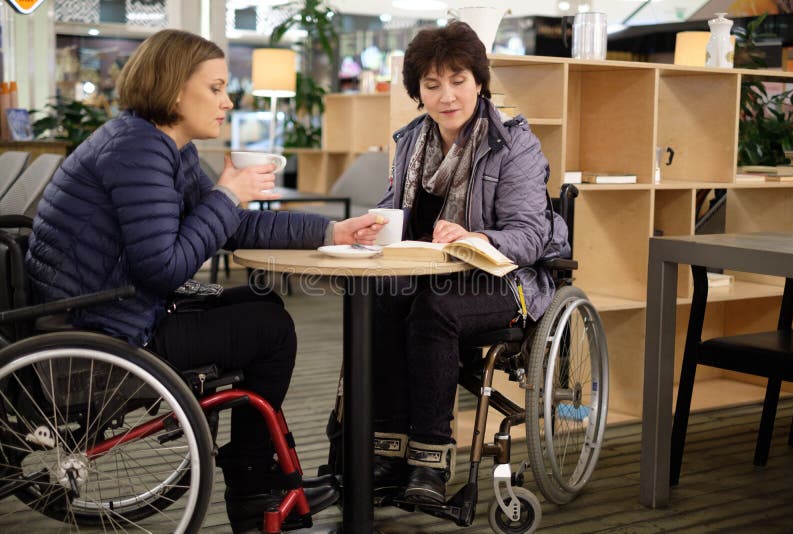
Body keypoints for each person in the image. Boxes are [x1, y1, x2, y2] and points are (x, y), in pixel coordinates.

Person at [25, 29, 384, 533]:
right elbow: (166, 266)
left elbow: (232, 226)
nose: (228, 101)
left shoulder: (162, 145)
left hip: (108, 311)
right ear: (175, 91)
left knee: (264, 304)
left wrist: (331, 231)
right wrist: (227, 196)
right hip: (101, 338)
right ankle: (253, 488)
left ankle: (256, 482)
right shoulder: (140, 151)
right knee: (271, 330)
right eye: (215, 88)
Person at [370, 21, 571, 505]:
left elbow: (530, 235)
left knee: (434, 310)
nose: (446, 96)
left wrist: (477, 237)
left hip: (506, 280)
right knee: (377, 297)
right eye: (432, 84)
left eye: (458, 80)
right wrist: (373, 227)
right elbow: (395, 211)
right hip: (429, 275)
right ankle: (385, 449)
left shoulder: (513, 143)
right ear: (417, 92)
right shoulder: (411, 141)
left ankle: (430, 460)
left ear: (479, 81)